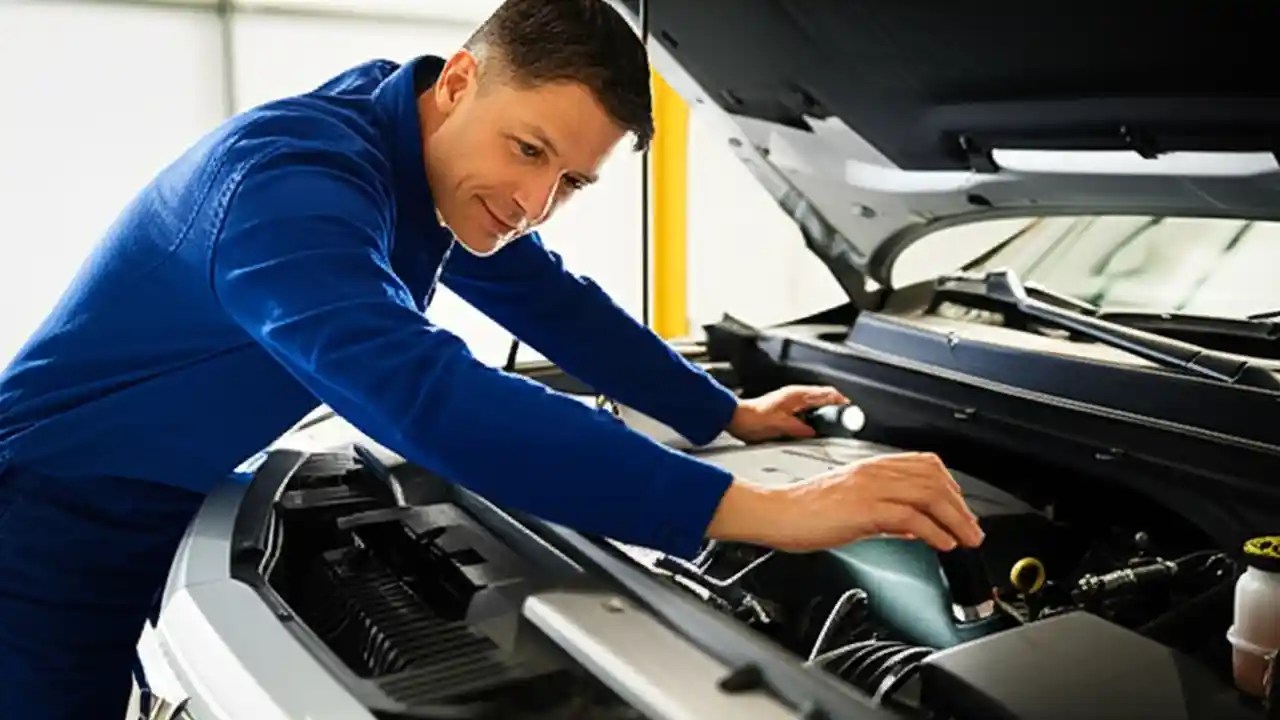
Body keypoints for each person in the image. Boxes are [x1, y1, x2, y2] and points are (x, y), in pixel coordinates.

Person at [0, 1, 982, 717]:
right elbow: (420, 391)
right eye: (527, 150)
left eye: (570, 184)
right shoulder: (288, 184)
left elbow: (546, 296)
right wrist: (760, 511)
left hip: (152, 504)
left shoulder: (411, 147)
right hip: (40, 524)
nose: (533, 202)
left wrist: (721, 413)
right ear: (460, 80)